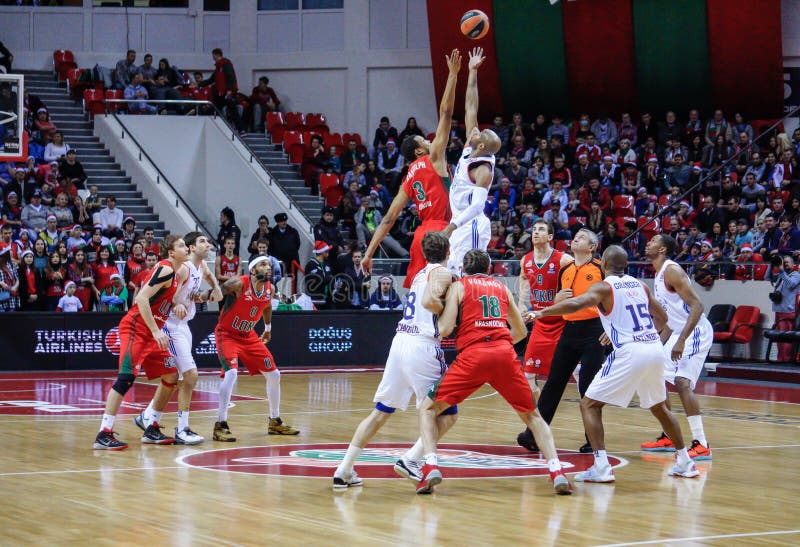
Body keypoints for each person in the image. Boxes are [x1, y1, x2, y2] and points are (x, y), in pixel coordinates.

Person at [532, 245, 701, 481]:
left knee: (589, 405)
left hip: (630, 352)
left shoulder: (603, 287)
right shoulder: (640, 285)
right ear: (626, 266)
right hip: (654, 348)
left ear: (603, 264)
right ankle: (685, 461)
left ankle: (601, 467)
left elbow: (576, 304)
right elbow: (663, 318)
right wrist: (643, 334)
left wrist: (542, 312)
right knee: (660, 407)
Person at [417, 249, 572, 495]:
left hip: (473, 355)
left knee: (427, 408)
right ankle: (556, 471)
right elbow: (520, 332)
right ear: (489, 269)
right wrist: (498, 345)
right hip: (503, 352)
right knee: (533, 416)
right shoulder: (502, 288)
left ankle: (430, 466)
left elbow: (445, 329)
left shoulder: (460, 286)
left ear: (464, 269)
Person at [332, 232, 457, 488]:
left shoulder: (419, 274)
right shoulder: (442, 273)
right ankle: (411, 459)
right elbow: (430, 300)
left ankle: (344, 469)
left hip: (400, 343)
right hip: (422, 346)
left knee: (380, 413)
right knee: (448, 412)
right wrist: (449, 310)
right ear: (448, 253)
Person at [361, 49, 461, 288]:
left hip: (421, 238)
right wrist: (453, 75)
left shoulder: (408, 178)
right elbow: (446, 114)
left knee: (419, 298)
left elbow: (387, 219)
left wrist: (369, 253)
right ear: (418, 151)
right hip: (444, 231)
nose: (428, 140)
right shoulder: (434, 158)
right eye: (423, 140)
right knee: (451, 298)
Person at [93, 235, 190, 450]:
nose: (186, 248)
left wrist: (176, 306)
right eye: (182, 245)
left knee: (171, 375)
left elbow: (164, 300)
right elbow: (141, 299)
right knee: (126, 378)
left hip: (151, 332)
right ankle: (104, 432)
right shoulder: (165, 269)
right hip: (137, 328)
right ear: (171, 253)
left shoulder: (176, 275)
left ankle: (152, 426)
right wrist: (156, 331)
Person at [134, 233, 222, 445]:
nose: (207, 244)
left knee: (176, 379)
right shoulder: (184, 269)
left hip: (184, 326)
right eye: (202, 241)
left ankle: (147, 416)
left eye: (207, 242)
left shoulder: (201, 267)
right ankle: (181, 429)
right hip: (171, 324)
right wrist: (176, 304)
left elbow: (211, 282)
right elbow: (167, 295)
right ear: (191, 248)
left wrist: (213, 288)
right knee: (190, 375)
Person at [524, 229, 606, 453]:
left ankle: (593, 441)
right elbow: (562, 301)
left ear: (591, 247)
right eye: (575, 236)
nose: (575, 238)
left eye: (581, 237)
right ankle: (534, 435)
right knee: (553, 383)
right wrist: (551, 302)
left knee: (588, 388)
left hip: (594, 331)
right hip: (569, 330)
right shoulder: (566, 269)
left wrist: (612, 328)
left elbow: (613, 300)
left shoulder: (600, 268)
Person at [639, 234, 715, 460]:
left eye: (653, 241)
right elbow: (668, 319)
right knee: (655, 376)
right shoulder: (659, 273)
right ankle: (670, 435)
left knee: (682, 382)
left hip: (695, 332)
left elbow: (697, 306)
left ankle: (701, 443)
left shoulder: (672, 270)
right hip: (676, 332)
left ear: (662, 249)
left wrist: (682, 340)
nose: (648, 243)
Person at [213, 257, 298, 442]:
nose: (268, 267)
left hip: (248, 335)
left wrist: (267, 329)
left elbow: (267, 306)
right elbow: (216, 292)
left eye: (269, 265)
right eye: (263, 264)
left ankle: (274, 421)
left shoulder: (270, 289)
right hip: (227, 334)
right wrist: (203, 294)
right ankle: (220, 424)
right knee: (231, 374)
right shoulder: (239, 284)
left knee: (274, 374)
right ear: (252, 270)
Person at [442, 47, 502, 275]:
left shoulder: (484, 171)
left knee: (470, 277)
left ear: (481, 146)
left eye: (479, 134)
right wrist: (472, 71)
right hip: (459, 223)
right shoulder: (473, 144)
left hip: (472, 226)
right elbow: (470, 106)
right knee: (455, 277)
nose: (475, 130)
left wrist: (451, 226)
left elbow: (478, 207)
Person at [515, 221, 573, 448]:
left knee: (563, 375)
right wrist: (521, 304)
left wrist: (562, 297)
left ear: (550, 237)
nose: (535, 232)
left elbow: (578, 284)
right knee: (528, 376)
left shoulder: (564, 260)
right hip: (539, 322)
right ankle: (540, 420)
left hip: (562, 322)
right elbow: (523, 281)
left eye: (540, 230)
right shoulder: (525, 260)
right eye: (534, 230)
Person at [766, 255, 800, 362]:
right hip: (779, 310)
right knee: (779, 339)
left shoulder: (796, 275)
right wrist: (771, 265)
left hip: (789, 311)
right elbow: (767, 277)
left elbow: (790, 284)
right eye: (783, 262)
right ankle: (780, 359)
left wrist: (781, 271)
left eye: (787, 262)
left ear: (793, 264)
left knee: (787, 340)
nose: (785, 264)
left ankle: (787, 360)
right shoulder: (781, 275)